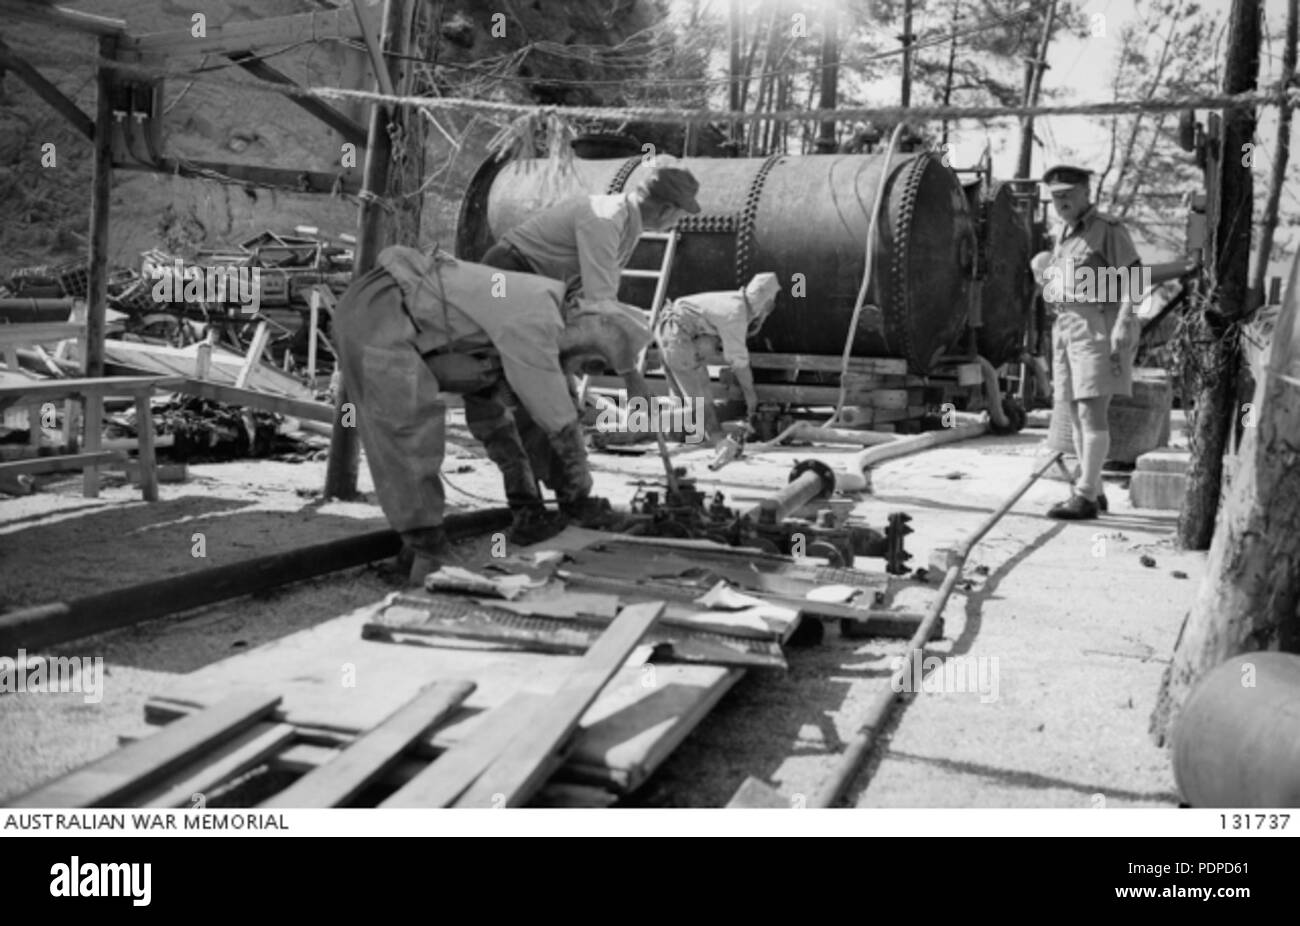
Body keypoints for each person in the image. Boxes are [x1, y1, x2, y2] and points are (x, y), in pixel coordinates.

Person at [333, 245, 652, 585]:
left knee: (492, 399)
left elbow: (507, 417)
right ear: (585, 329)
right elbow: (557, 418)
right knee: (407, 429)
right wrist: (581, 493)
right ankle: (427, 548)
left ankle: (517, 515)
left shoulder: (524, 319)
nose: (584, 369)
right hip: (380, 310)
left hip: (403, 315)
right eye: (591, 362)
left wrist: (543, 499)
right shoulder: (536, 317)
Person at [1036, 164, 1144, 520]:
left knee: (1091, 411)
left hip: (1098, 322)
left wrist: (1125, 322)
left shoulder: (1106, 230)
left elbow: (1135, 277)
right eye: (1055, 196)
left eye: (1068, 193)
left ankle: (1084, 494)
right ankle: (1093, 489)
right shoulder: (1065, 234)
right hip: (1067, 325)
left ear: (1086, 192)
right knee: (1074, 411)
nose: (1061, 201)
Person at [655, 272, 782, 445]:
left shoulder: (735, 302)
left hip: (669, 331)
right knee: (700, 394)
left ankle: (674, 437)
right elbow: (739, 362)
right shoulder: (735, 314)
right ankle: (718, 441)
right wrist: (750, 394)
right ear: (765, 301)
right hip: (678, 336)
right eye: (770, 305)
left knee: (680, 395)